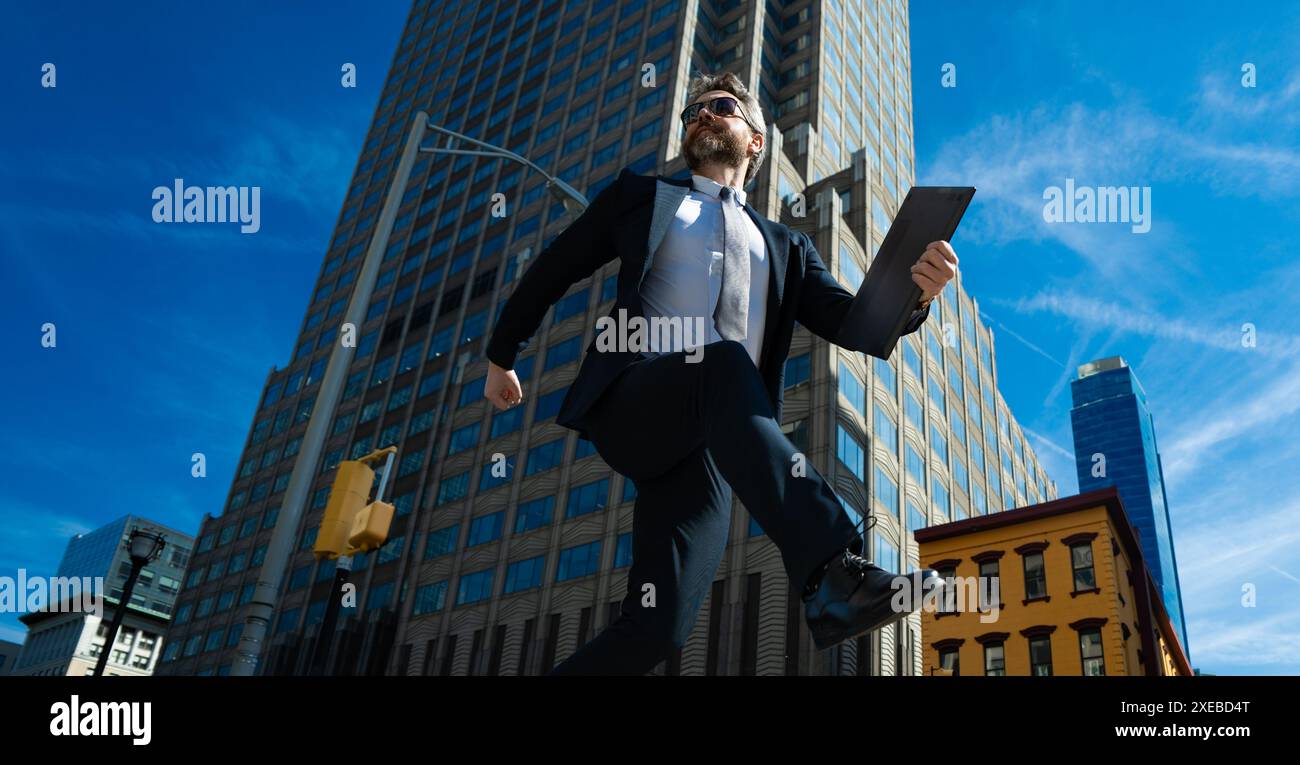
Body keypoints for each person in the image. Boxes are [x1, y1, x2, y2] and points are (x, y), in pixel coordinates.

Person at [484, 72, 956, 675]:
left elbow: (855, 324)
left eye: (721, 107)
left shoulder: (787, 247)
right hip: (636, 398)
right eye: (692, 112)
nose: (702, 116)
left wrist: (916, 296)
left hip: (709, 439)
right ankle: (835, 574)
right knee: (724, 358)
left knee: (659, 626)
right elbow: (554, 268)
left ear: (755, 139)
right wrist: (502, 355)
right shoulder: (641, 197)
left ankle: (829, 587)